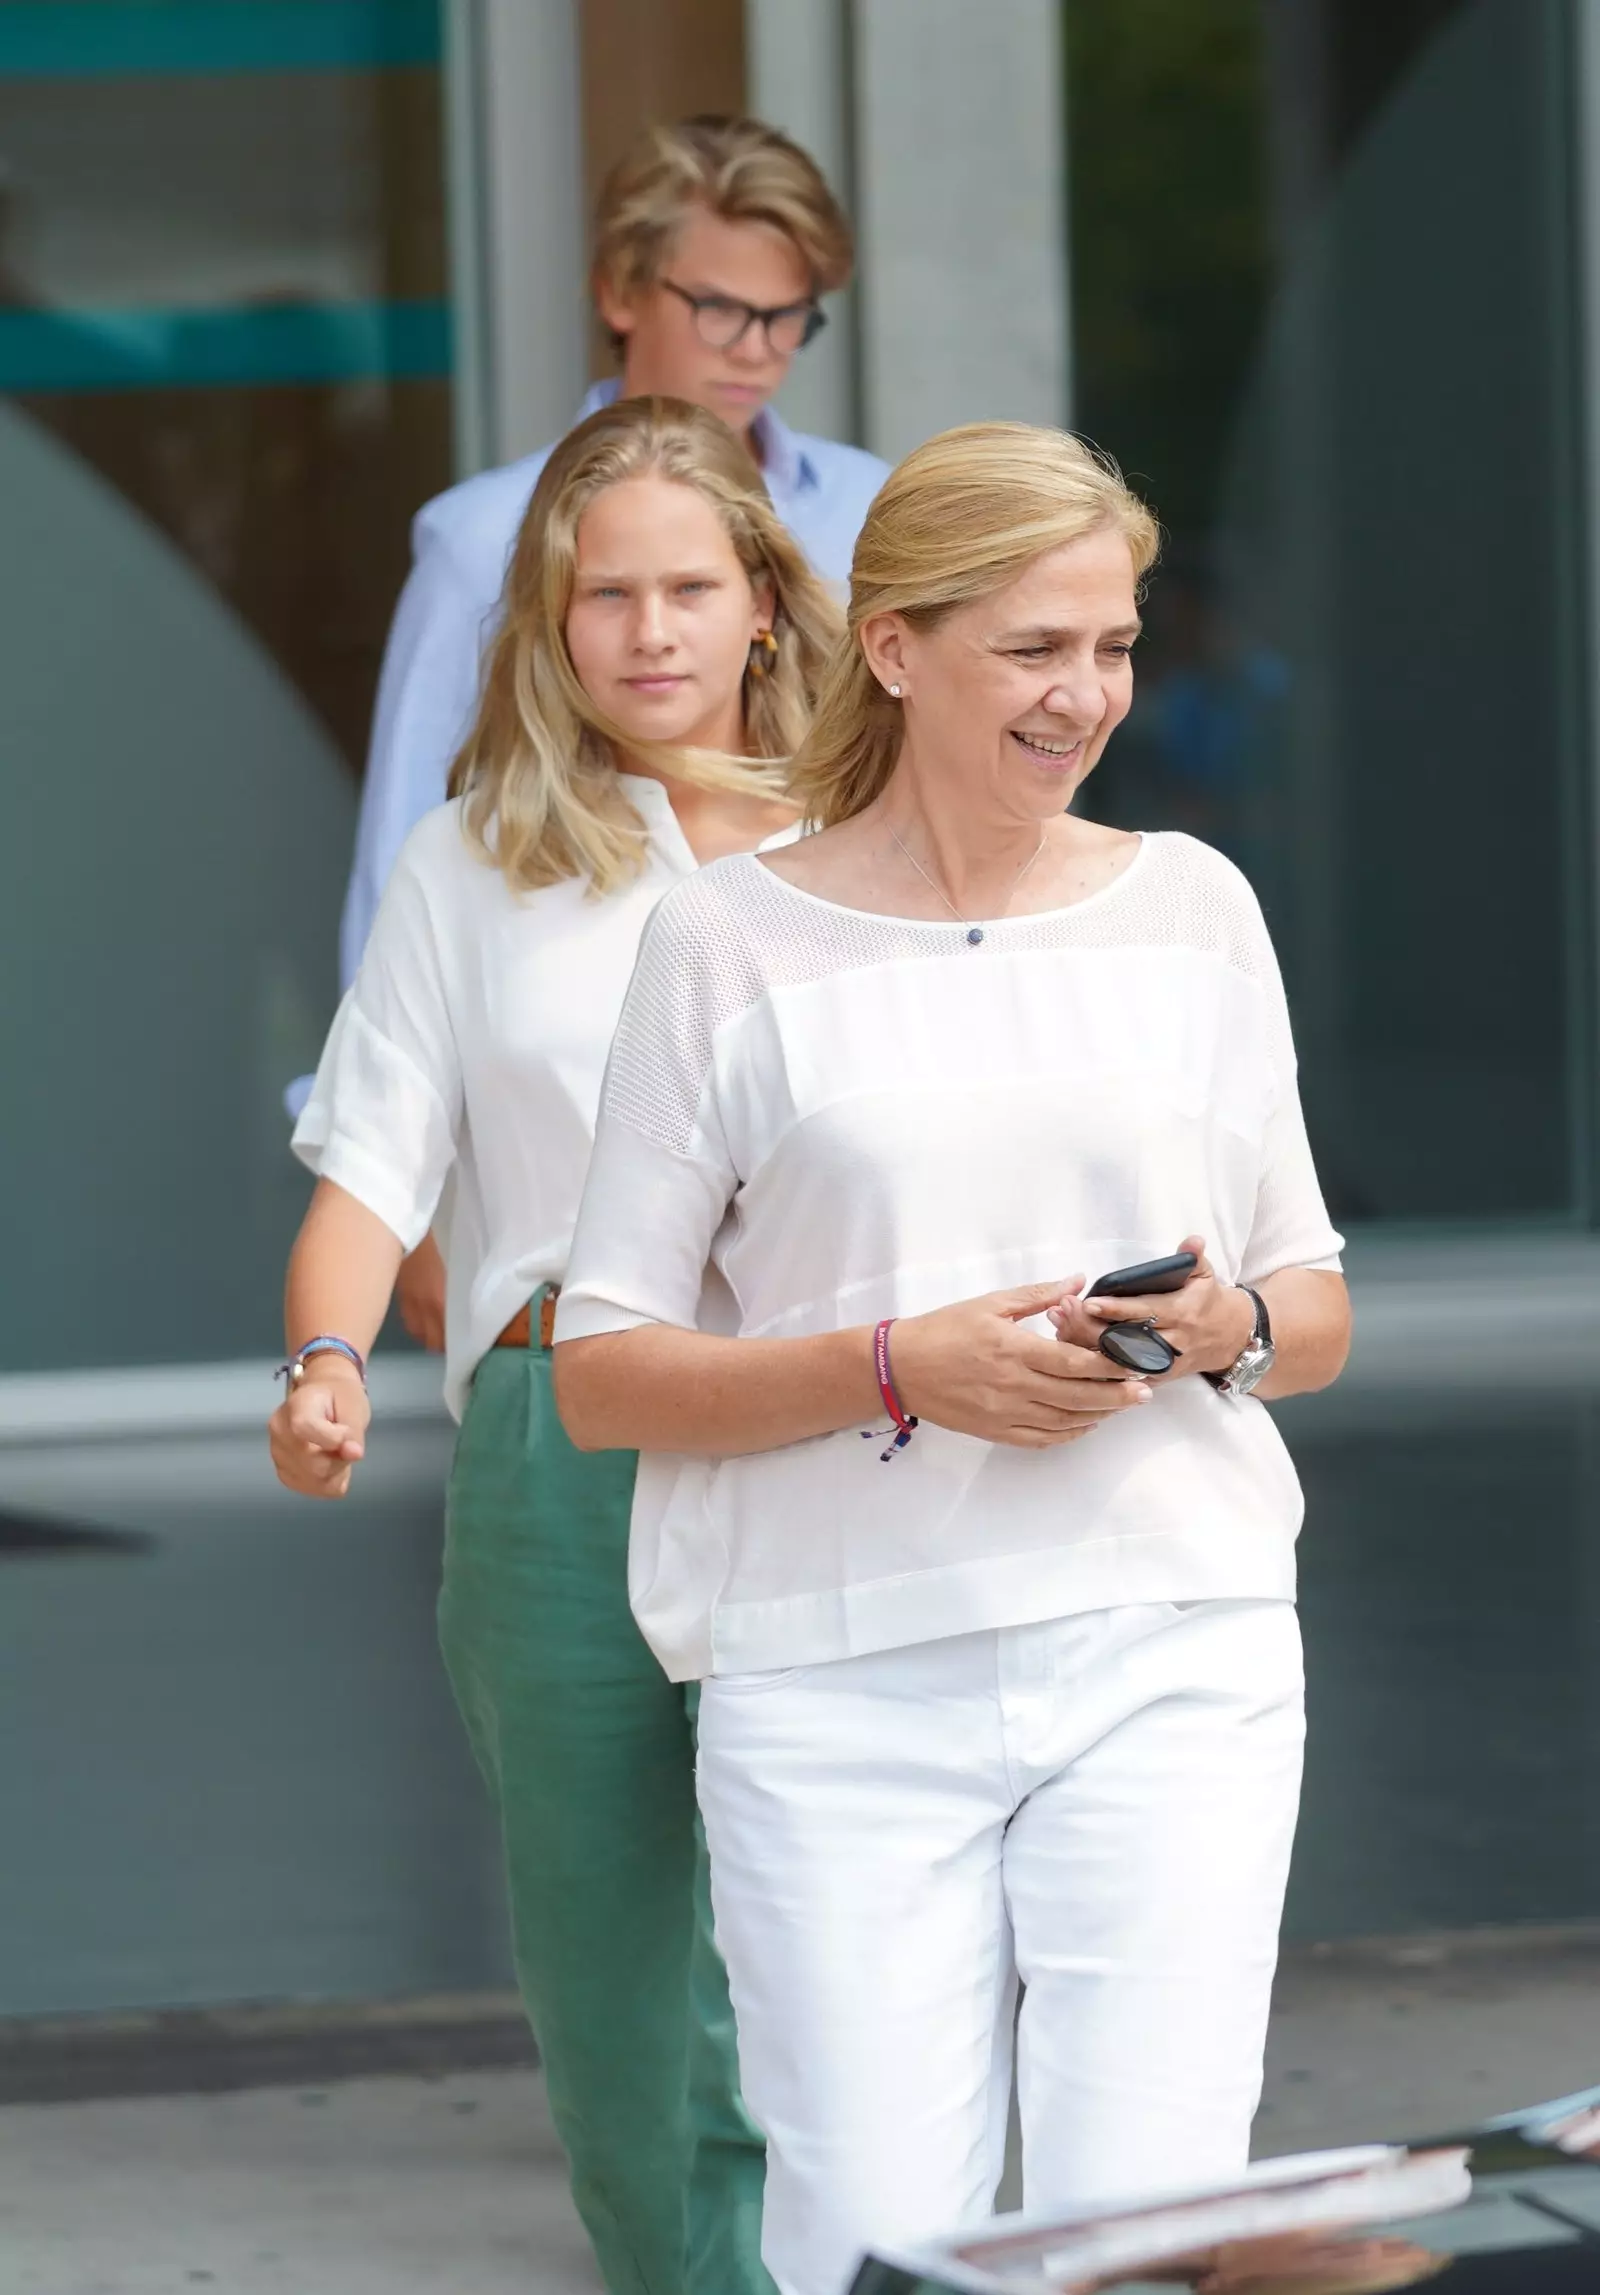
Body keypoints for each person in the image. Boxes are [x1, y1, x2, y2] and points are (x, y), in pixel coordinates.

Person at [553, 422, 1352, 2295]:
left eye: (1115, 645)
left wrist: (1215, 1331)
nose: (1085, 695)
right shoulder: (725, 943)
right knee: (873, 2247)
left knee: (1152, 2235)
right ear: (896, 646)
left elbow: (1309, 1310)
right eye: (1033, 648)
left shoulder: (1195, 908)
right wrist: (901, 1363)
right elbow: (604, 1368)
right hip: (837, 1681)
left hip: (1178, 1641)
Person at [268, 396, 840, 2295]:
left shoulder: (876, 840)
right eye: (606, 596)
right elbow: (369, 1162)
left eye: (691, 586)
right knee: (614, 1977)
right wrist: (327, 1363)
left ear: (768, 602)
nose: (651, 631)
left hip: (836, 1427)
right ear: (548, 622)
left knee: (830, 1928)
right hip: (556, 1444)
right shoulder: (471, 862)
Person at [313, 115, 888, 1355]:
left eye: (791, 318)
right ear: (621, 291)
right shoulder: (483, 535)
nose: (760, 353)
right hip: (554, 1209)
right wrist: (404, 1210)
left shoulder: (868, 509)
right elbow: (407, 866)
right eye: (724, 309)